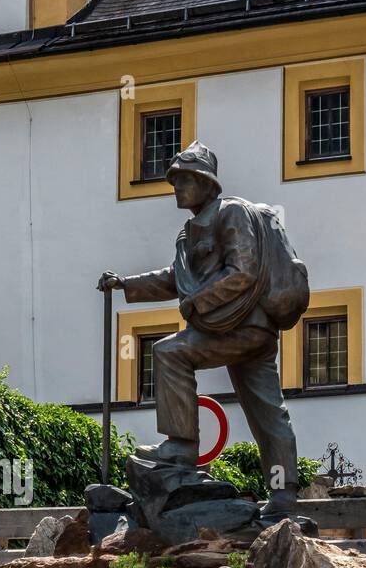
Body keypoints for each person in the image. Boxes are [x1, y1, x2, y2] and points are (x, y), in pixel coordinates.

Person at [99, 141, 307, 518]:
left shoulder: (231, 214)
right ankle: (284, 494)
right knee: (266, 410)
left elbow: (242, 270)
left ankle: (181, 447)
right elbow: (175, 280)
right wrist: (126, 284)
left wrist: (200, 303)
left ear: (205, 182)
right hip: (240, 332)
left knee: (170, 352)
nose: (176, 187)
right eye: (174, 180)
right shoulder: (189, 232)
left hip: (244, 326)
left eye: (184, 179)